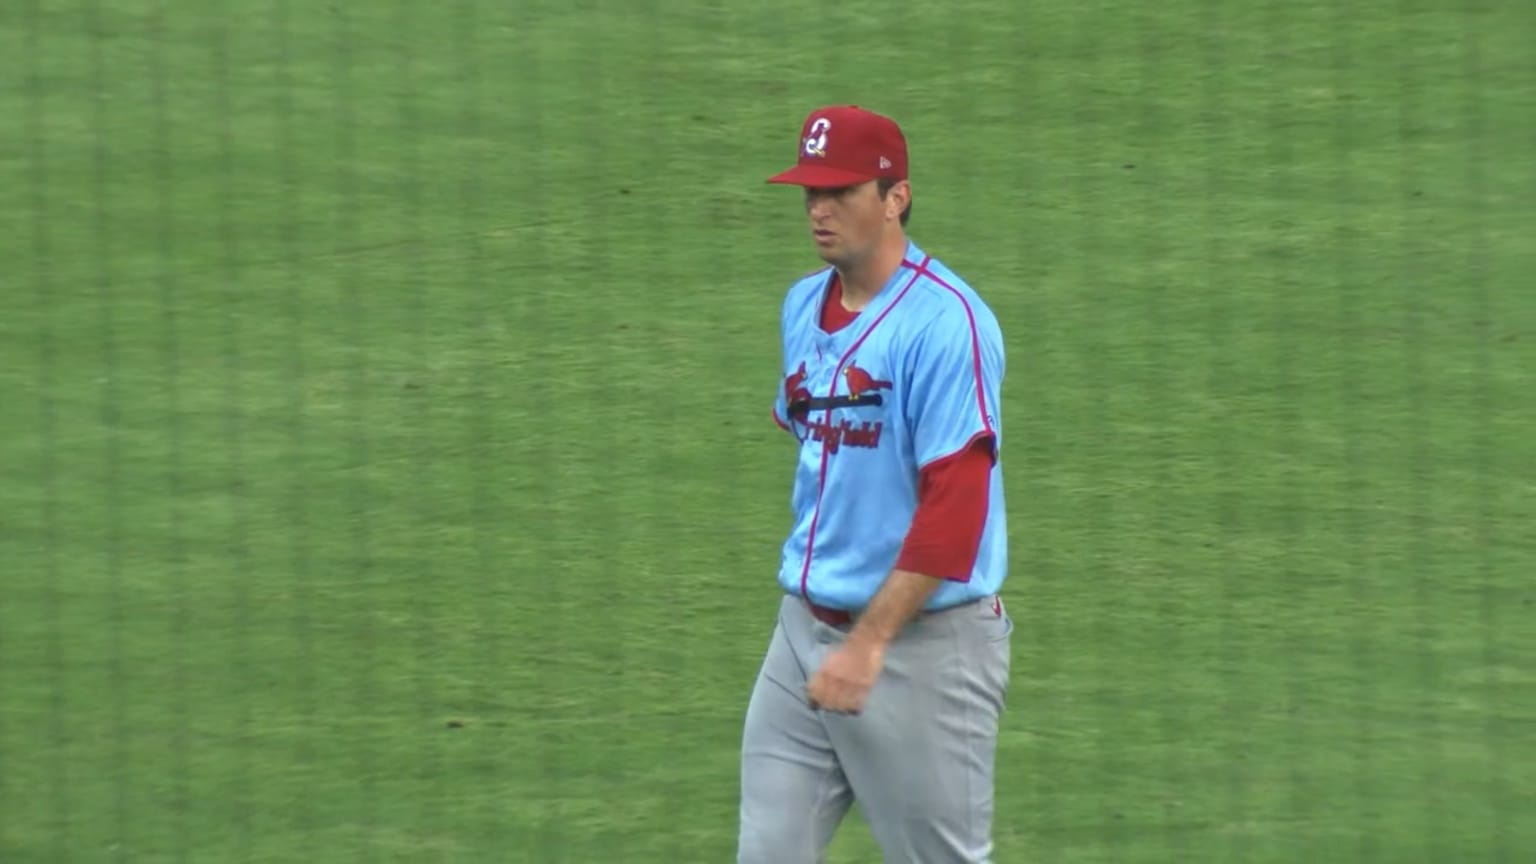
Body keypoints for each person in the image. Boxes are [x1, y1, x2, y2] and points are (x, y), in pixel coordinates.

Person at [737, 104, 1012, 864]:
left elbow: (957, 511)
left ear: (896, 197)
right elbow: (813, 436)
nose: (818, 210)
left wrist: (869, 642)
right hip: (802, 636)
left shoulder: (946, 324)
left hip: (922, 649)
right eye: (810, 192)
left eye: (841, 191)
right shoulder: (803, 303)